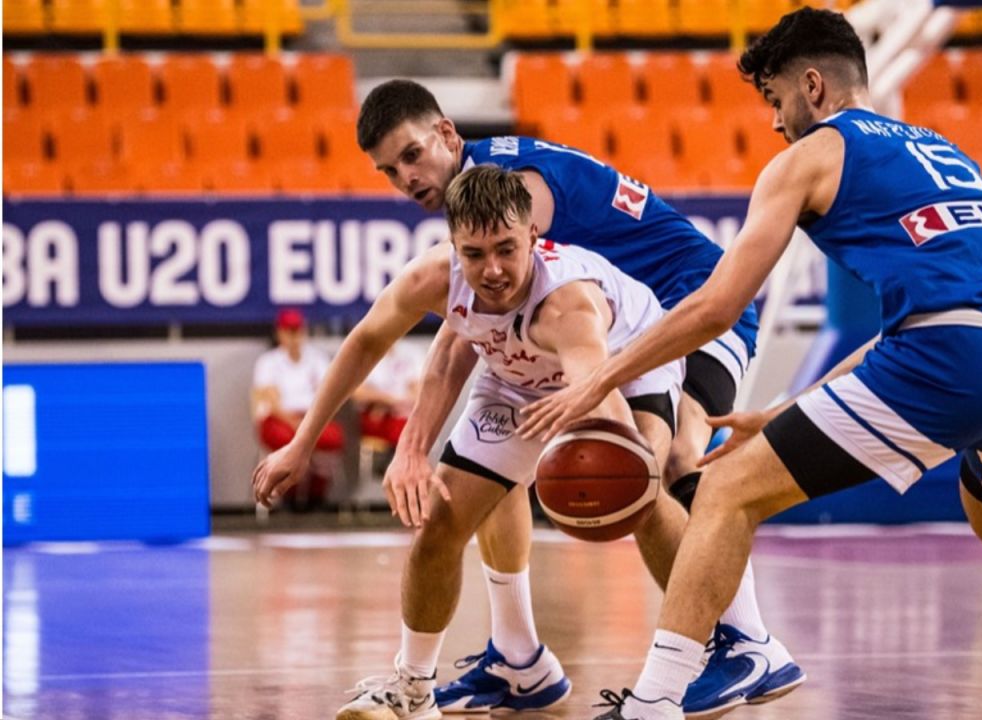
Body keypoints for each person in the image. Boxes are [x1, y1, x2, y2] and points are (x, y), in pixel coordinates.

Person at [520, 9, 982, 720]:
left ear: (813, 86)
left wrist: (599, 375)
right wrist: (784, 411)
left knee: (725, 492)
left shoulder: (808, 158)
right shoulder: (942, 149)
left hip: (952, 359)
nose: (776, 123)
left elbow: (717, 306)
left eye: (776, 100)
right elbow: (928, 318)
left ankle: (654, 703)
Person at [355, 80, 803, 715]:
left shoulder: (516, 194)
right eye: (389, 170)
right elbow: (475, 325)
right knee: (496, 449)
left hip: (692, 300)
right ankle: (516, 655)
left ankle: (747, 641)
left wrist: (417, 438)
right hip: (614, 322)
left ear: (448, 135)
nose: (405, 178)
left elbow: (465, 331)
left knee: (667, 461)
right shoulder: (485, 188)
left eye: (411, 156)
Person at [254, 165, 693, 719]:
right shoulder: (433, 278)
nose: (492, 270)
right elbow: (366, 344)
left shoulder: (568, 305)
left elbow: (595, 387)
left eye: (507, 249)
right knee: (440, 526)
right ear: (452, 245)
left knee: (642, 495)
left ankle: (721, 643)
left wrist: (610, 456)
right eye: (475, 253)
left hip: (626, 366)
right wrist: (300, 444)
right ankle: (412, 686)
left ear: (534, 233)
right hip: (513, 379)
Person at [251, 308, 344, 509]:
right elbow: (271, 400)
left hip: (310, 416)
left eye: (297, 331)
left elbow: (327, 395)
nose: (294, 337)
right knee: (288, 441)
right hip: (280, 419)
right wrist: (296, 424)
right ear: (280, 333)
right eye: (289, 331)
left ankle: (316, 496)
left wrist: (309, 423)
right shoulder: (268, 362)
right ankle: (288, 495)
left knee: (332, 438)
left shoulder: (317, 359)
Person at [355, 340, 425, 448]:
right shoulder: (364, 354)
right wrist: (389, 401)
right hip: (378, 416)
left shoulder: (411, 352)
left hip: (406, 413)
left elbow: (419, 388)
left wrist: (406, 403)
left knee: (418, 429)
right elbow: (357, 393)